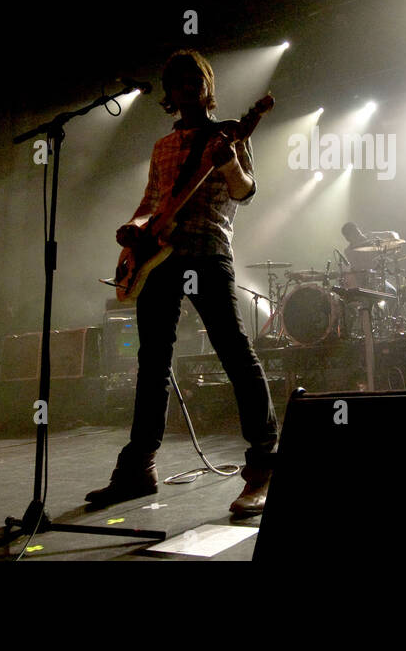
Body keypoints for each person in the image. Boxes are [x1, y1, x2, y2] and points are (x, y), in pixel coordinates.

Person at [87, 51, 278, 517]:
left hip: (208, 251)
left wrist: (229, 161)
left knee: (234, 349)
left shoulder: (229, 132)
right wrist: (133, 227)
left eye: (195, 79)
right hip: (158, 261)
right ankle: (139, 468)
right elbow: (150, 202)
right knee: (152, 361)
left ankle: (263, 466)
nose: (187, 87)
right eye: (177, 82)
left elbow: (246, 192)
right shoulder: (161, 147)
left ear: (207, 85)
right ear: (169, 94)